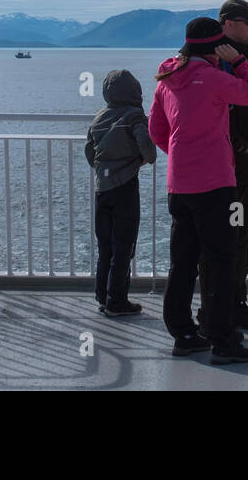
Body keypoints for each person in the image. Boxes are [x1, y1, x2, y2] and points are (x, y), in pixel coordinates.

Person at [148, 17, 248, 365]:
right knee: (221, 260)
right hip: (216, 185)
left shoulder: (166, 81)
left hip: (179, 186)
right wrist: (240, 61)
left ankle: (184, 334)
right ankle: (223, 340)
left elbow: (157, 131)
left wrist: (185, 156)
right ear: (216, 49)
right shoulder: (216, 78)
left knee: (182, 261)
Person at [198, 0, 248, 334]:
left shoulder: (246, 59)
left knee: (243, 238)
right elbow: (213, 109)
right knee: (226, 241)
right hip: (232, 172)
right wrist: (240, 150)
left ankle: (234, 304)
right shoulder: (217, 61)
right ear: (228, 23)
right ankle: (215, 311)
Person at [85, 69, 155, 316]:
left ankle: (102, 295)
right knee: (124, 246)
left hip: (101, 189)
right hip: (125, 186)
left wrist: (102, 168)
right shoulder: (134, 115)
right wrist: (146, 159)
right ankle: (117, 301)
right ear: (135, 91)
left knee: (105, 245)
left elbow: (89, 151)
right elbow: (146, 144)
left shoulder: (99, 117)